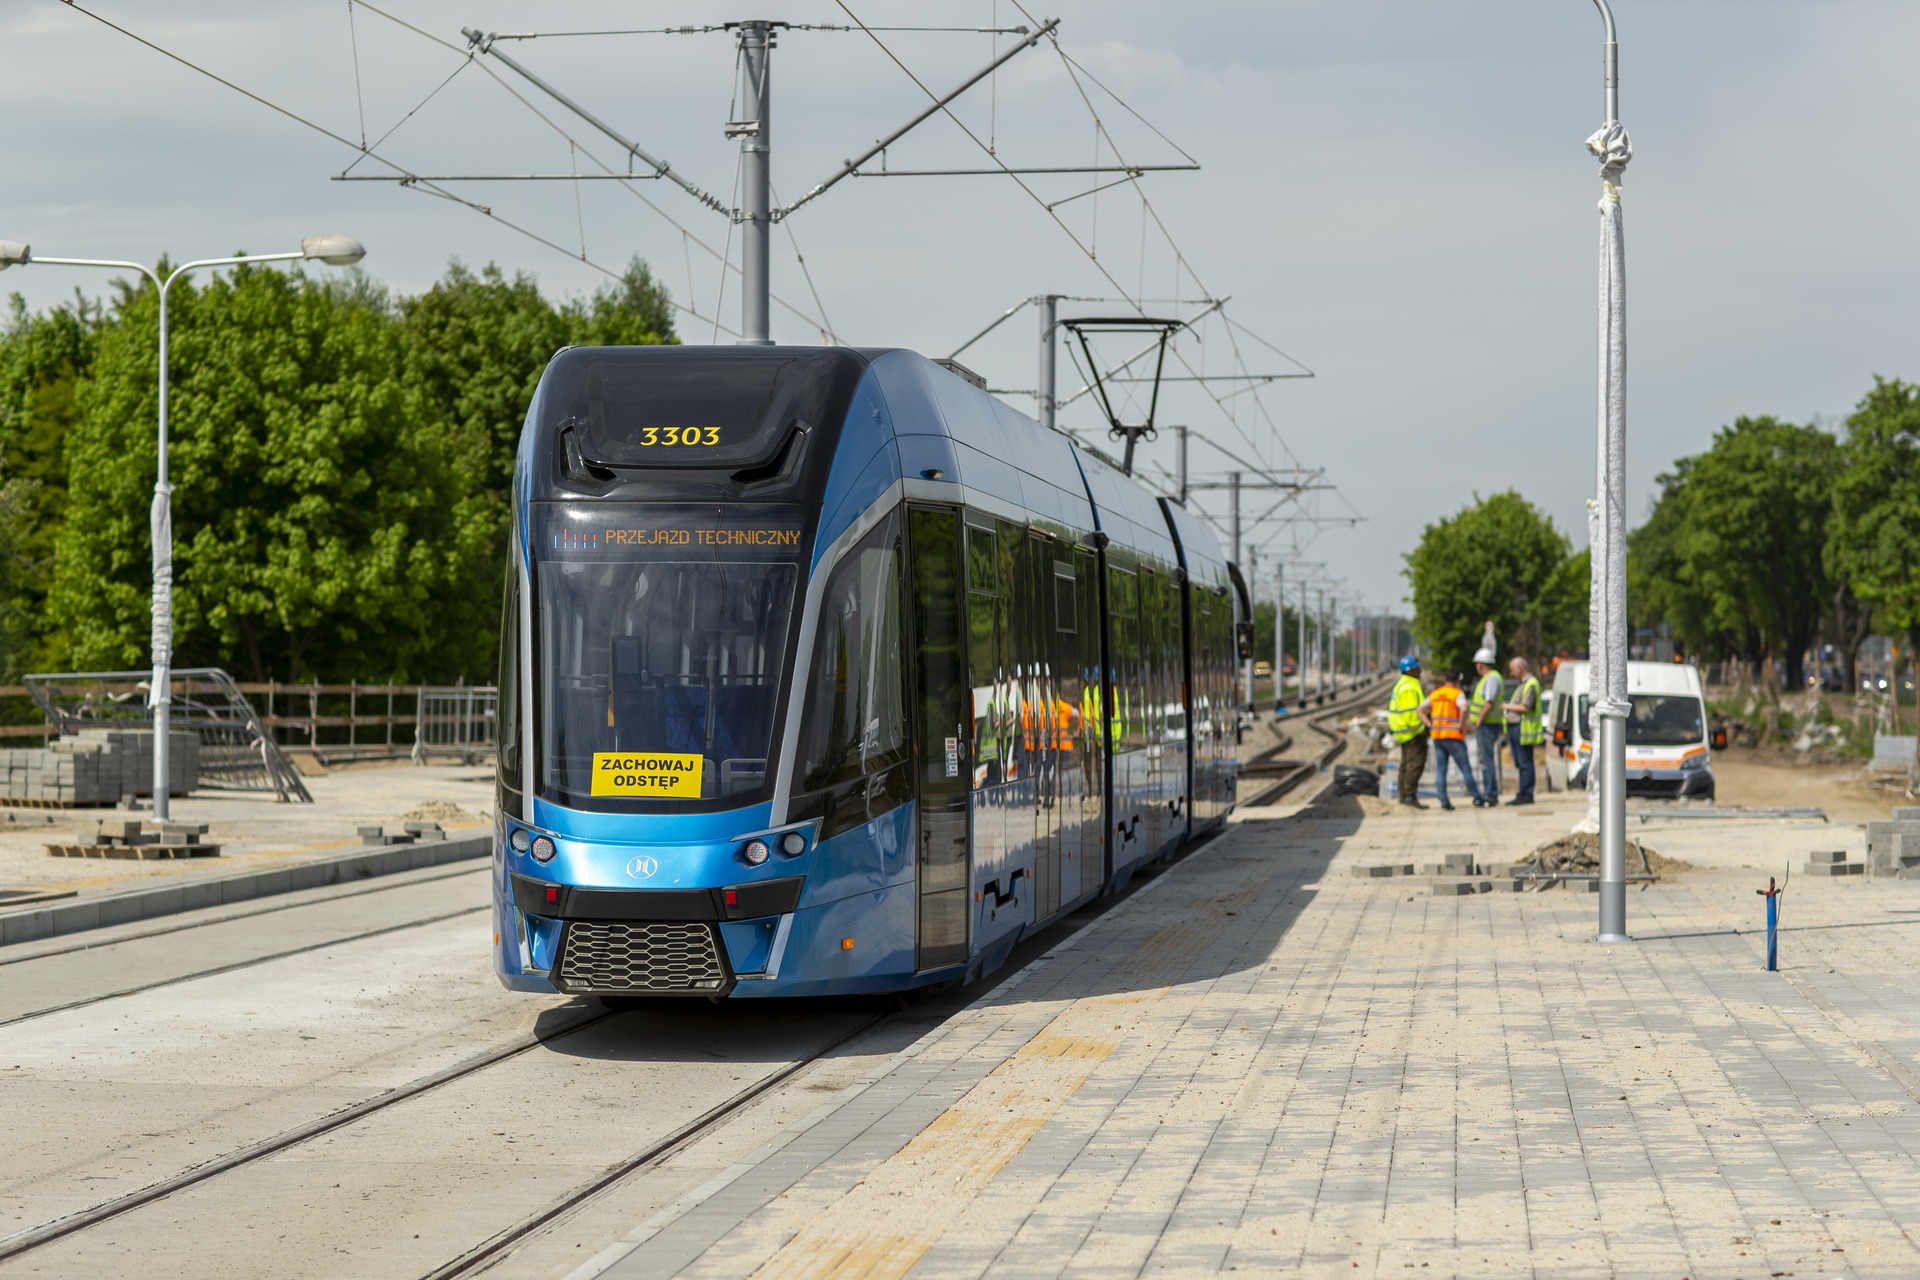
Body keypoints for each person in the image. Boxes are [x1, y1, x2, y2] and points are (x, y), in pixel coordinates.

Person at [1418, 669, 1479, 810]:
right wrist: (1461, 724)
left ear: (1445, 678)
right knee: (1465, 769)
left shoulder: (1435, 694)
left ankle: (1444, 801)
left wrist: (1428, 724)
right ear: (1458, 680)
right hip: (1454, 737)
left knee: (1441, 770)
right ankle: (1477, 797)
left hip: (1438, 736)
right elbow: (1463, 709)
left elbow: (1420, 709)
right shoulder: (1457, 694)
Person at [1387, 656, 1428, 810]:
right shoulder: (1409, 687)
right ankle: (1409, 796)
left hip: (1404, 732)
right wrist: (1421, 729)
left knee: (1405, 764)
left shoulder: (1403, 684)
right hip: (1412, 733)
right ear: (1411, 670)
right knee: (1415, 764)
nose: (1421, 671)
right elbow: (1411, 714)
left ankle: (1404, 795)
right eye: (1418, 668)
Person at [1503, 656, 1544, 805]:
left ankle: (1526, 794)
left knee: (1525, 763)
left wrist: (1506, 706)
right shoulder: (1524, 684)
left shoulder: (1531, 684)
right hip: (1517, 728)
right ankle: (1523, 793)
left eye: (1513, 670)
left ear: (1521, 669)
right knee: (1521, 763)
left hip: (1523, 728)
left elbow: (1526, 707)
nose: (1512, 673)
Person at [1468, 646, 1506, 807]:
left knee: (1486, 761)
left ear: (1481, 664)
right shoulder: (1490, 678)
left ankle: (1490, 794)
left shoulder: (1491, 678)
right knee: (1486, 760)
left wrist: (1479, 721)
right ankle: (1490, 793)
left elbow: (1489, 703)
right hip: (1487, 725)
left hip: (1486, 725)